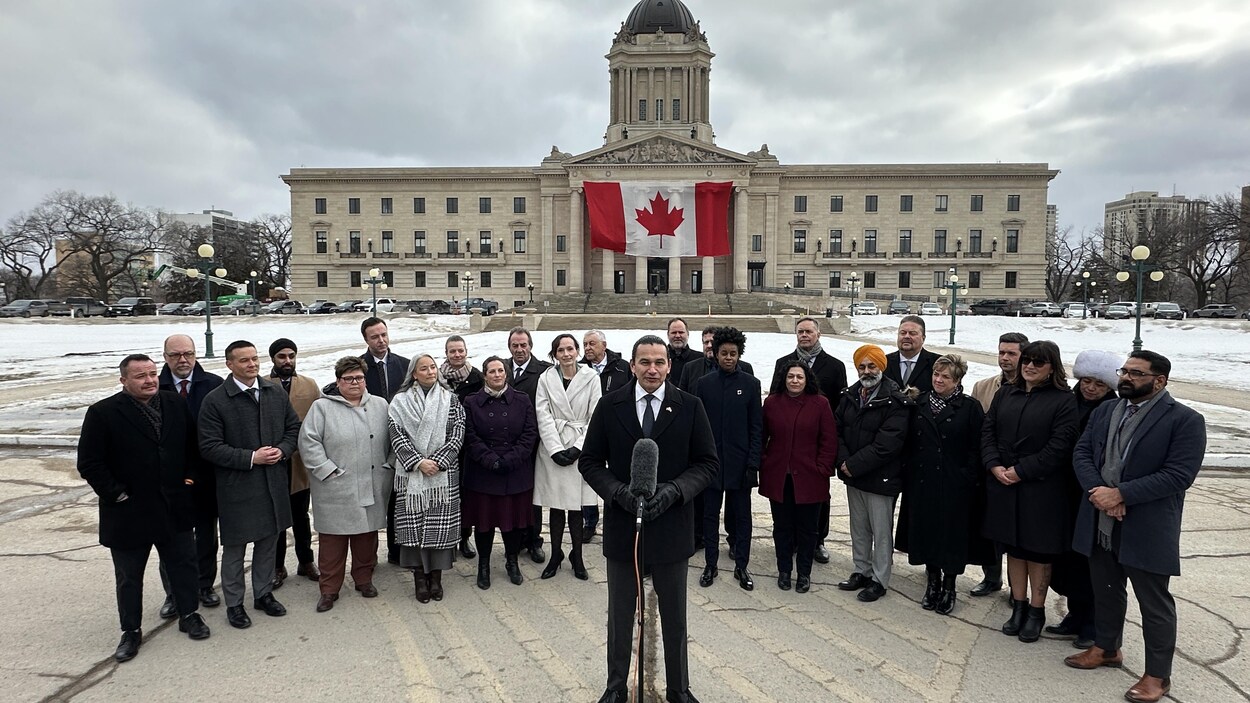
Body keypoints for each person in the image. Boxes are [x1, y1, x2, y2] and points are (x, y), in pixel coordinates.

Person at [580, 335, 719, 703]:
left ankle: (679, 688)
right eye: (645, 362)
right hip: (625, 527)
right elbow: (590, 461)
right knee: (620, 615)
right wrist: (616, 492)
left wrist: (676, 489)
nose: (653, 369)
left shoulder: (689, 406)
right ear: (633, 366)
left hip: (672, 525)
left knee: (674, 617)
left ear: (669, 366)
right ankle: (615, 687)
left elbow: (707, 463)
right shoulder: (610, 406)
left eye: (659, 362)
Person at [1065, 351, 1205, 703]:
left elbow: (1178, 475)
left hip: (1146, 525)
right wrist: (1099, 493)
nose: (1125, 378)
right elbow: (1081, 453)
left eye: (1136, 373)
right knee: (1107, 590)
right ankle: (1107, 648)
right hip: (1100, 519)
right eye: (1124, 371)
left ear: (1159, 381)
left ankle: (1158, 676)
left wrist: (1122, 494)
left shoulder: (1185, 420)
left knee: (1154, 604)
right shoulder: (1106, 411)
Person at [78, 354, 211, 662]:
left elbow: (193, 445)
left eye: (152, 374)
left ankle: (189, 614)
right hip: (128, 513)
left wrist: (190, 478)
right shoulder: (103, 413)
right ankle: (131, 631)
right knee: (129, 576)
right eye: (140, 376)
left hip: (174, 506)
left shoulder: (173, 403)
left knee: (184, 565)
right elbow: (90, 462)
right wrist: (118, 495)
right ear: (123, 380)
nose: (149, 380)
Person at [198, 340, 301, 629]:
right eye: (244, 360)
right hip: (237, 487)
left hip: (272, 483)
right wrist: (251, 457)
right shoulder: (216, 400)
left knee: (268, 543)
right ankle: (234, 604)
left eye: (254, 359)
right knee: (235, 550)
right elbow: (209, 446)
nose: (251, 365)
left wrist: (283, 449)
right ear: (229, 364)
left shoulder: (274, 392)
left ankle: (263, 594)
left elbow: (293, 427)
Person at [982, 340, 1079, 643]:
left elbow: (1060, 446)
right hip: (1004, 485)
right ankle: (1018, 604)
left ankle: (1036, 610)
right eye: (1028, 361)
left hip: (1041, 489)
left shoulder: (1063, 400)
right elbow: (988, 431)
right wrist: (994, 464)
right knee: (1014, 549)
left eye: (1039, 362)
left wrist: (1021, 471)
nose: (1030, 367)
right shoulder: (1005, 393)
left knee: (1038, 553)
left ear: (1052, 367)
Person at [895, 354, 990, 616]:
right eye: (936, 375)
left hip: (954, 484)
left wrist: (967, 476)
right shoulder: (920, 402)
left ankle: (949, 586)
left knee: (951, 537)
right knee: (927, 533)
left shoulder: (969, 408)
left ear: (957, 380)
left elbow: (976, 447)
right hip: (923, 482)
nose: (938, 380)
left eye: (945, 377)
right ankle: (932, 582)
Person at [297, 357, 392, 612]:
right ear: (338, 381)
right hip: (336, 485)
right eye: (348, 378)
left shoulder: (381, 405)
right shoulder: (322, 408)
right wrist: (327, 470)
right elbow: (309, 442)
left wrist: (389, 464)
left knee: (366, 537)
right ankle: (329, 589)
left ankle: (364, 579)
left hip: (371, 481)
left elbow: (396, 437)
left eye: (359, 378)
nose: (354, 383)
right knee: (332, 543)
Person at [1047, 350, 1120, 648]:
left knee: (1091, 563)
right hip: (1062, 490)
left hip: (1092, 493)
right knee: (1066, 560)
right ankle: (1075, 615)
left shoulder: (1113, 409)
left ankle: (1092, 623)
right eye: (1087, 382)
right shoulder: (1067, 401)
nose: (1090, 388)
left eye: (1098, 384)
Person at [834, 344, 910, 603]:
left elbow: (888, 443)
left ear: (881, 367)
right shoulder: (850, 394)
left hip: (880, 477)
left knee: (881, 531)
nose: (867, 371)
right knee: (859, 528)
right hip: (853, 475)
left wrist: (853, 464)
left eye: (872, 366)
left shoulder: (895, 399)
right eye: (862, 367)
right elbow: (837, 430)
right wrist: (844, 461)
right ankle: (861, 570)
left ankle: (879, 579)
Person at [770, 316, 847, 566]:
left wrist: (828, 454)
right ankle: (790, 541)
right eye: (800, 331)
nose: (804, 335)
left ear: (818, 334)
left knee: (818, 499)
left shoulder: (834, 366)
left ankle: (818, 541)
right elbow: (773, 401)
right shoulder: (783, 364)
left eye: (809, 332)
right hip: (788, 446)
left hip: (817, 444)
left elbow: (840, 407)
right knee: (788, 496)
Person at [390, 354, 466, 602]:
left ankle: (436, 578)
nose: (431, 371)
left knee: (439, 530)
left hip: (442, 478)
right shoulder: (399, 402)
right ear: (414, 373)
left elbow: (457, 434)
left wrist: (439, 462)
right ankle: (419, 579)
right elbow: (396, 436)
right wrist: (418, 462)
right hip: (412, 474)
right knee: (414, 529)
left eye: (433, 367)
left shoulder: (451, 400)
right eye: (424, 368)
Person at [156, 334, 224, 614]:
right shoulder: (153, 387)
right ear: (165, 357)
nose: (182, 360)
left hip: (206, 474)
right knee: (169, 537)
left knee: (207, 535)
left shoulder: (214, 385)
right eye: (175, 355)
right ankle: (174, 593)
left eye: (188, 354)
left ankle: (204, 585)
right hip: (168, 477)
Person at [693, 327, 763, 591]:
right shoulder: (704, 384)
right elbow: (697, 427)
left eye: (733, 354)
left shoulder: (750, 384)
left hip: (740, 464)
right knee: (710, 516)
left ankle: (741, 565)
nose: (729, 358)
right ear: (716, 354)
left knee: (742, 517)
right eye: (724, 353)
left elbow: (756, 427)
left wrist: (753, 463)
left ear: (739, 354)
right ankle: (710, 564)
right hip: (711, 465)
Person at [760, 360, 837, 593]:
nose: (795, 381)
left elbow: (829, 440)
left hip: (810, 477)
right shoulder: (772, 403)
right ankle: (784, 570)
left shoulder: (820, 404)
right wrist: (765, 461)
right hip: (779, 476)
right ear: (784, 379)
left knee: (808, 529)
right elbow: (761, 435)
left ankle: (804, 573)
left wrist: (822, 467)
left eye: (799, 377)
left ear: (807, 380)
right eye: (791, 376)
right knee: (781, 526)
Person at [462, 356, 539, 589]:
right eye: (491, 371)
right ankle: (483, 566)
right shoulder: (471, 401)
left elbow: (530, 433)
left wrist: (511, 459)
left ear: (506, 374)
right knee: (483, 524)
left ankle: (512, 562)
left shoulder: (522, 400)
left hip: (515, 472)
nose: (496, 375)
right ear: (484, 375)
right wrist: (490, 459)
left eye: (500, 371)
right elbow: (469, 435)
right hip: (483, 473)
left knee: (513, 524)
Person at [534, 334, 602, 580]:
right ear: (554, 354)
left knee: (576, 508)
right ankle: (555, 555)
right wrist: (554, 448)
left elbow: (596, 414)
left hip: (580, 446)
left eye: (570, 349)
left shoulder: (591, 378)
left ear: (577, 351)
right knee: (555, 506)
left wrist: (578, 448)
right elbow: (542, 413)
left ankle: (578, 556)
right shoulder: (546, 378)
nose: (566, 354)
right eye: (561, 350)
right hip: (553, 447)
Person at [967, 331, 1029, 597]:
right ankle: (992, 577)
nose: (1005, 358)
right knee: (987, 527)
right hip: (988, 468)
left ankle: (1019, 590)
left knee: (1019, 533)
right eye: (1001, 352)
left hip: (1021, 473)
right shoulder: (983, 386)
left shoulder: (1033, 389)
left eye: (1011, 353)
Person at [268, 338, 320, 590]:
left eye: (291, 355)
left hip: (301, 463)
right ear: (273, 359)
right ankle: (277, 566)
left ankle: (306, 561)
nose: (287, 361)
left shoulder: (309, 385)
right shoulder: (262, 385)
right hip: (272, 462)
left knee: (301, 516)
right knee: (276, 518)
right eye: (281, 356)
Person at [359, 316, 410, 565]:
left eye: (384, 334)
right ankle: (368, 557)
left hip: (401, 440)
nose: (381, 341)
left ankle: (396, 549)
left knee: (398, 497)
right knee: (373, 498)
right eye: (375, 337)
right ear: (366, 340)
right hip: (371, 439)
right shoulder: (359, 368)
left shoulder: (404, 364)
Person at [504, 326, 552, 564]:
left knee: (533, 495)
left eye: (523, 345)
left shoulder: (543, 371)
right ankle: (514, 540)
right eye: (515, 345)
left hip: (533, 444)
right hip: (504, 446)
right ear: (509, 347)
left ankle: (534, 540)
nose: (519, 349)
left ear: (530, 346)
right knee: (510, 495)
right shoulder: (500, 368)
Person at [580, 329, 632, 542]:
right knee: (590, 477)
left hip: (618, 429)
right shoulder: (580, 369)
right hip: (589, 429)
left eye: (592, 343)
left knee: (618, 476)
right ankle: (589, 521)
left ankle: (618, 518)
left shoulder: (622, 367)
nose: (587, 348)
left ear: (604, 345)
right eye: (584, 344)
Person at [441, 334, 484, 559]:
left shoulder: (477, 377)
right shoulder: (437, 378)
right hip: (442, 446)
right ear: (446, 353)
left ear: (466, 352)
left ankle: (465, 537)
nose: (457, 355)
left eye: (460, 350)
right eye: (452, 351)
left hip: (469, 446)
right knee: (446, 496)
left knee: (467, 495)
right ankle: (447, 538)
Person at [885, 315, 940, 393]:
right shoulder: (884, 362)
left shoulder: (937, 363)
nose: (907, 336)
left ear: (923, 338)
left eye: (912, 333)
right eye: (903, 333)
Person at [665, 317, 702, 384]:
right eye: (674, 332)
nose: (677, 336)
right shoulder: (659, 358)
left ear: (688, 334)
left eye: (681, 332)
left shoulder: (700, 359)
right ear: (668, 335)